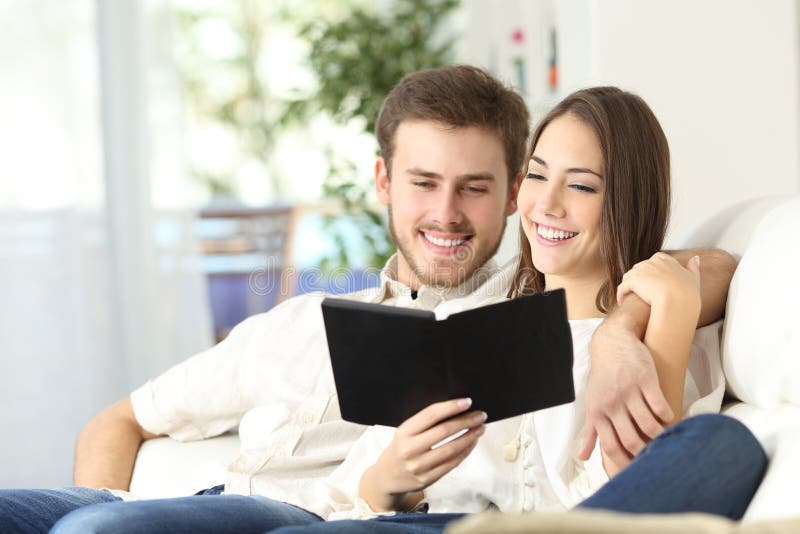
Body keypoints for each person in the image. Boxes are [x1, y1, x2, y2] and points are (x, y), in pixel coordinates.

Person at [0, 68, 736, 534]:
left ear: (504, 195)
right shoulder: (298, 322)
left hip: (311, 515)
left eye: (475, 188)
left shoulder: (500, 318)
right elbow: (122, 418)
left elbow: (700, 270)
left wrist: (627, 326)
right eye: (424, 183)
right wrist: (112, 501)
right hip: (203, 500)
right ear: (384, 182)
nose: (446, 214)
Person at [267, 87, 766, 534]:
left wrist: (662, 315)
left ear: (629, 201)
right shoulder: (469, 321)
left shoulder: (664, 327)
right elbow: (351, 499)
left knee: (724, 444)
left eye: (581, 186)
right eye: (537, 175)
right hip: (421, 523)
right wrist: (395, 475)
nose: (546, 204)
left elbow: (639, 488)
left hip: (565, 522)